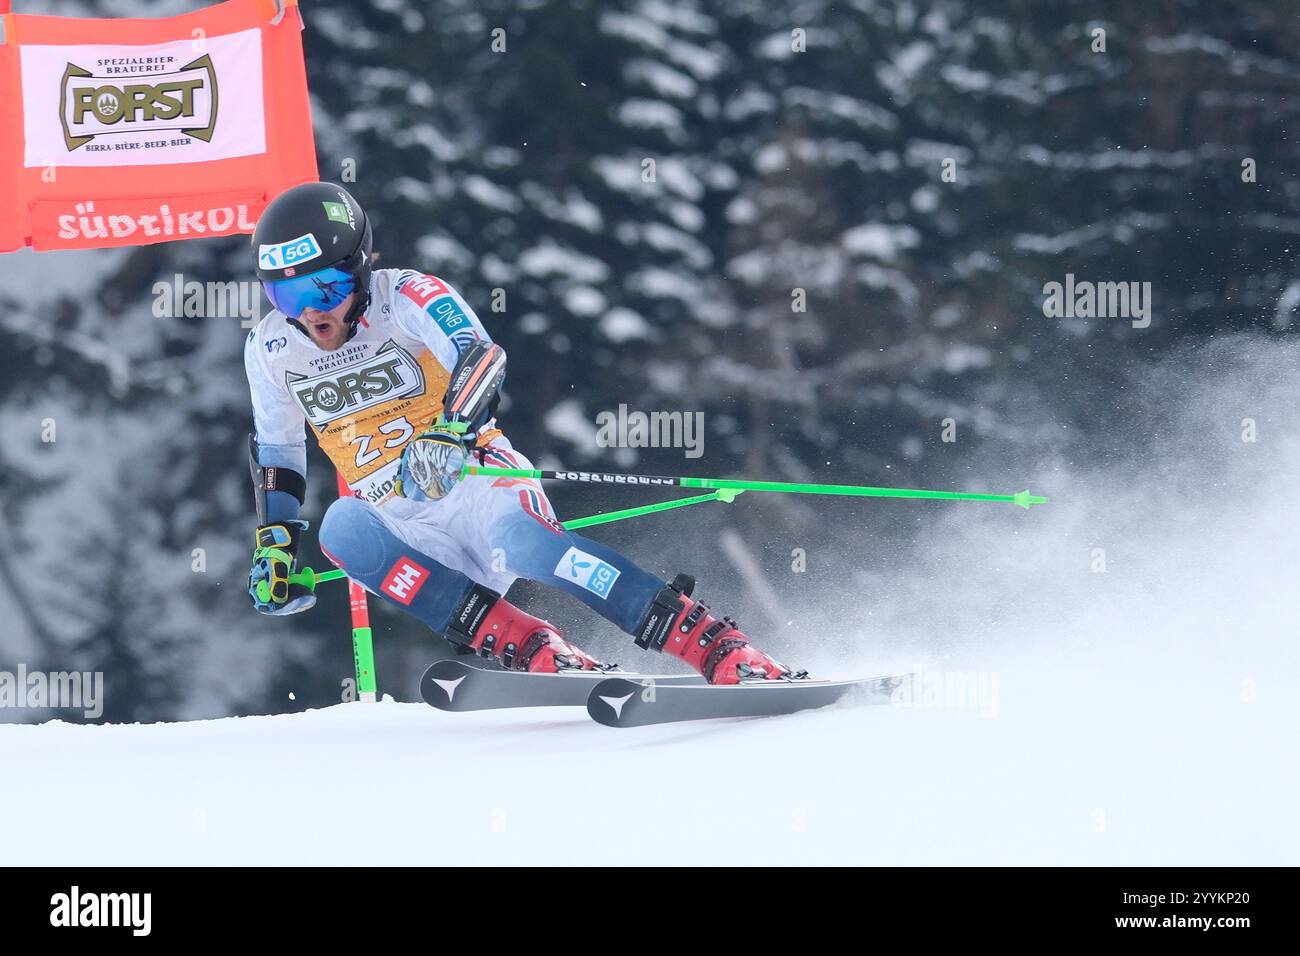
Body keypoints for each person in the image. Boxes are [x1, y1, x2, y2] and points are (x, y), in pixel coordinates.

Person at [244, 181, 795, 683]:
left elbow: (481, 356)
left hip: (476, 482)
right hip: (404, 521)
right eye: (288, 296)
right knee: (342, 530)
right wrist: (276, 542)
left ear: (359, 268)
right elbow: (279, 449)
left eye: (327, 287)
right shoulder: (269, 349)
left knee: (530, 547)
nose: (312, 313)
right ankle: (533, 646)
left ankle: (715, 648)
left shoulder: (407, 296)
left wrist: (451, 430)